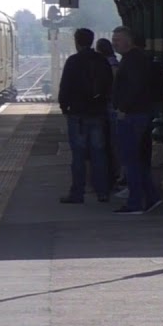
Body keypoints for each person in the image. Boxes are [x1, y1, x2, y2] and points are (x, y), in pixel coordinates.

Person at [57, 28, 113, 204]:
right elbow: (109, 85)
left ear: (77, 42)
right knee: (99, 153)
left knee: (79, 155)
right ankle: (102, 192)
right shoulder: (101, 60)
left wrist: (64, 108)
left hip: (77, 114)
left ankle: (77, 193)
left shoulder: (73, 61)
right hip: (97, 113)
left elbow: (64, 86)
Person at [111, 25, 160, 214]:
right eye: (114, 40)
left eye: (118, 39)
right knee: (137, 159)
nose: (115, 43)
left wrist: (123, 108)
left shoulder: (133, 61)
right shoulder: (136, 59)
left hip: (133, 115)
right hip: (139, 113)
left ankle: (135, 203)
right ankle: (151, 197)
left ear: (129, 41)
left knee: (130, 159)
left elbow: (135, 87)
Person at [95, 37, 122, 191]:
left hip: (109, 106)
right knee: (113, 142)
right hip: (114, 105)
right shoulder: (116, 63)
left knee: (110, 142)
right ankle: (115, 174)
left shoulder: (106, 65)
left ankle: (113, 175)